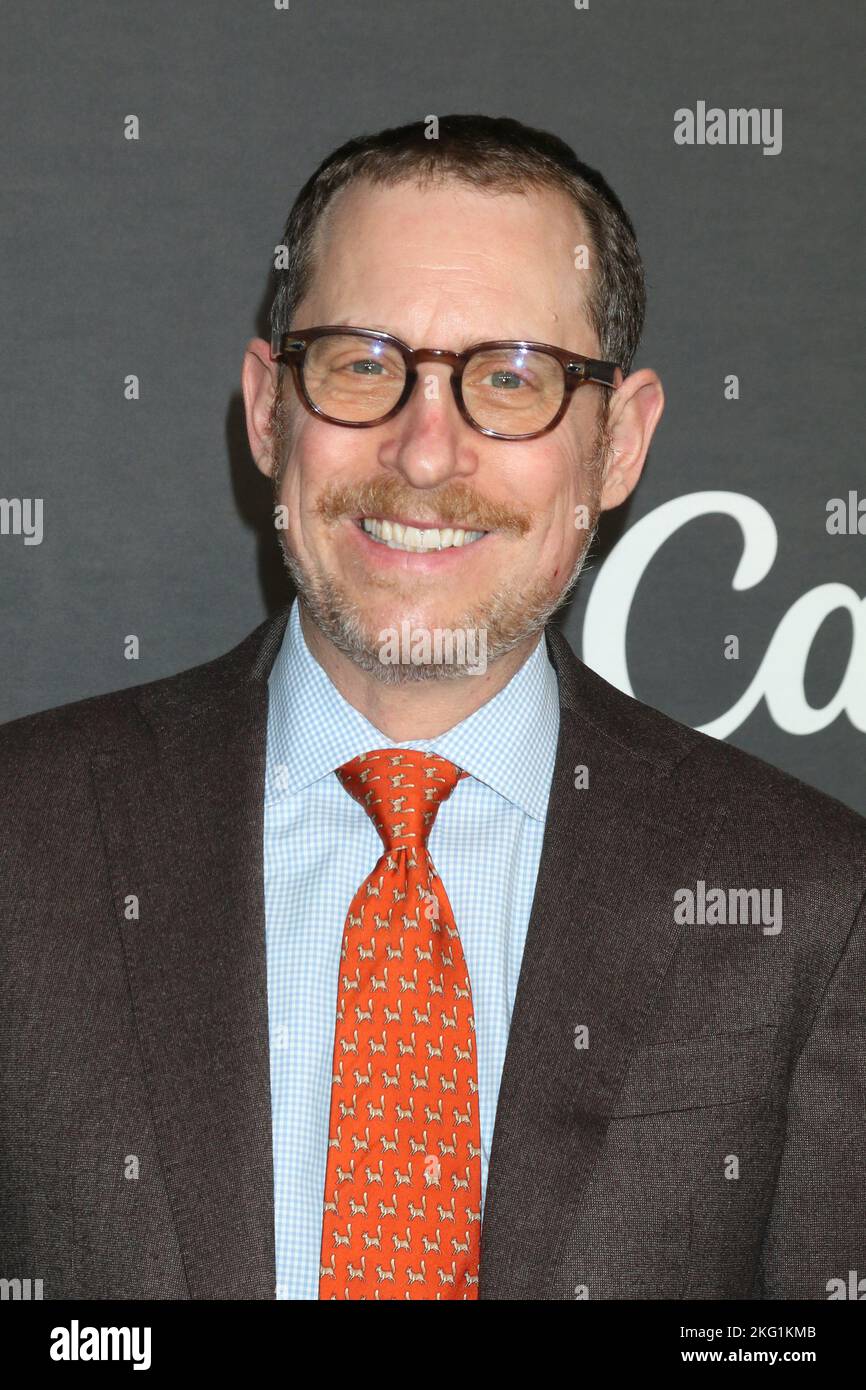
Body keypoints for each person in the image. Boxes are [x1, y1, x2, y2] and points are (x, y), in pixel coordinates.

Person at [2, 115, 864, 1302]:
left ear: (618, 447)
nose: (423, 453)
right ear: (267, 410)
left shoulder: (810, 906)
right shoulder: (22, 843)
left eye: (510, 380)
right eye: (362, 362)